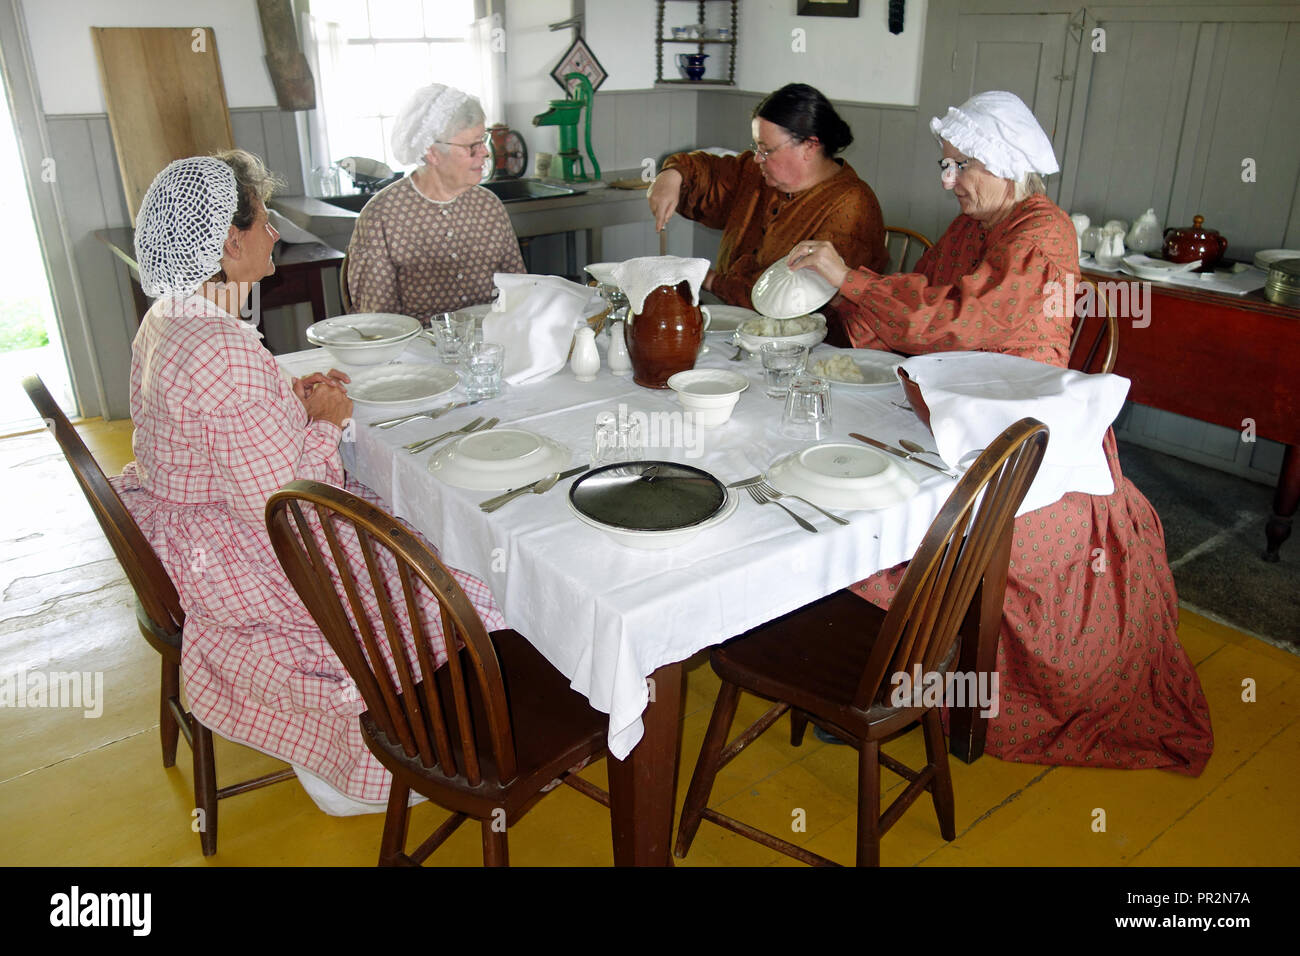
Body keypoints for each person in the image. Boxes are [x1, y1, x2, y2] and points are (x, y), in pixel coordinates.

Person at [788, 91, 1214, 775]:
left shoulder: (1043, 235)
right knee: (846, 473)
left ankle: (922, 690)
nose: (948, 180)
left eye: (962, 166)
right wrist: (846, 288)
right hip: (963, 410)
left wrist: (857, 284)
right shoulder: (974, 223)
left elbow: (964, 323)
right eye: (945, 163)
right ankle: (884, 673)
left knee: (903, 512)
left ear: (1009, 164)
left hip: (1027, 443)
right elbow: (925, 300)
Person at [113, 151, 506, 814]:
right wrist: (324, 423)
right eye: (264, 221)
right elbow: (286, 510)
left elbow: (222, 427)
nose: (274, 234)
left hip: (186, 520)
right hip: (243, 547)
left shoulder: (173, 315)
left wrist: (286, 397)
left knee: (405, 516)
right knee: (452, 577)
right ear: (229, 240)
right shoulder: (221, 348)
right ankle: (384, 756)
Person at [647, 82, 888, 318]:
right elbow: (709, 174)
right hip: (740, 318)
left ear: (809, 146)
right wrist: (673, 174)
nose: (757, 159)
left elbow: (791, 300)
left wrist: (706, 279)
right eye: (756, 148)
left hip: (812, 343)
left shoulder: (851, 204)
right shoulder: (758, 174)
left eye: (766, 150)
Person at [346, 83, 525, 321]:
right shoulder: (382, 216)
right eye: (472, 145)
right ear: (432, 153)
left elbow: (518, 291)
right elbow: (379, 321)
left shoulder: (488, 206)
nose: (485, 152)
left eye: (483, 140)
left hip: (490, 345)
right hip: (415, 349)